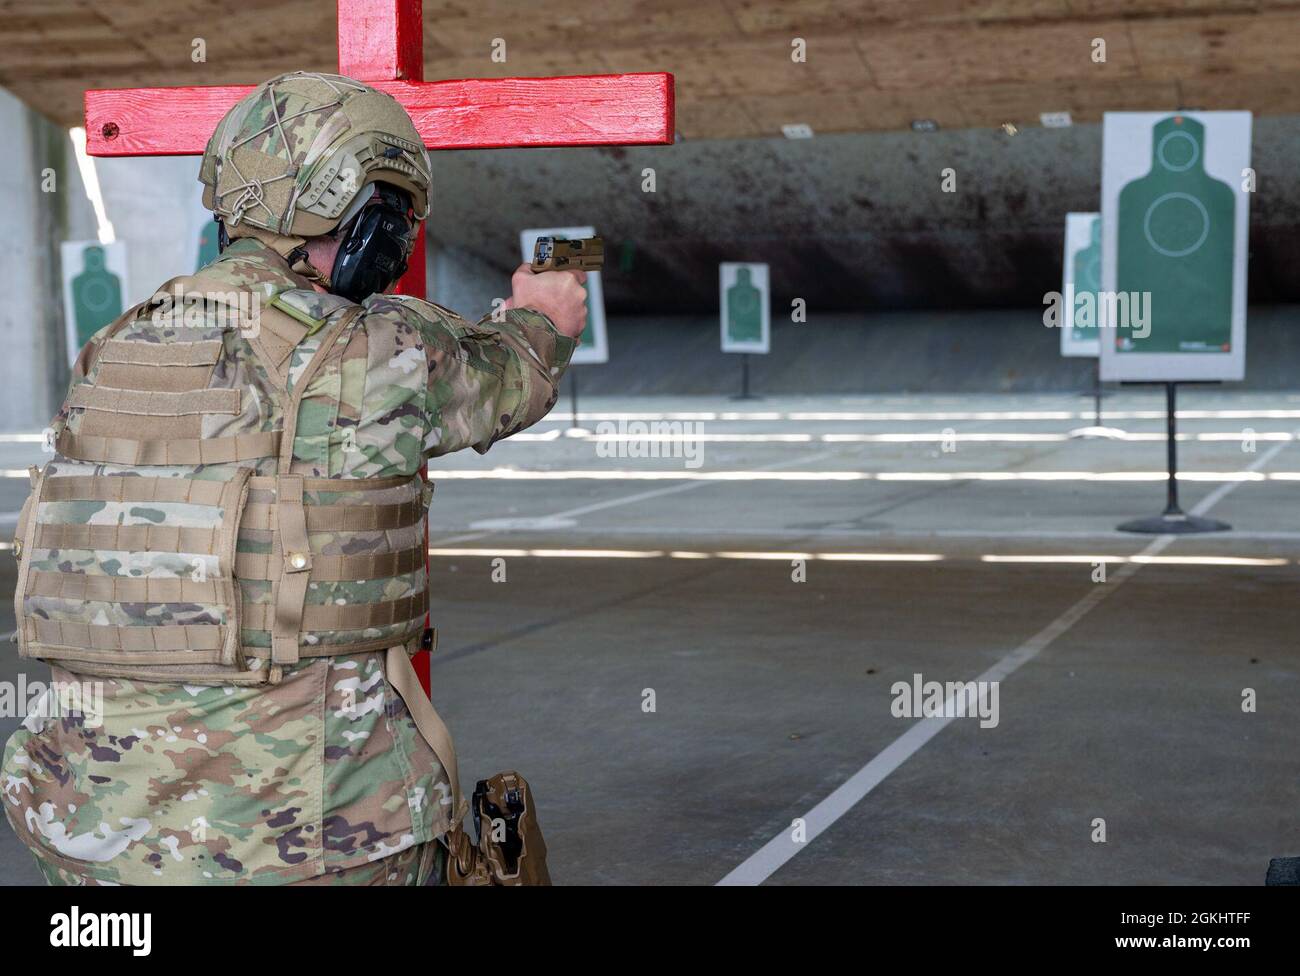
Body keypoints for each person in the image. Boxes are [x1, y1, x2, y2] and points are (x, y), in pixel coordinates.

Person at [2, 71, 586, 886]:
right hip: (312, 846)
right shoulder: (384, 348)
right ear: (367, 222)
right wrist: (544, 312)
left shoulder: (112, 350)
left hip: (87, 838)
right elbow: (515, 373)